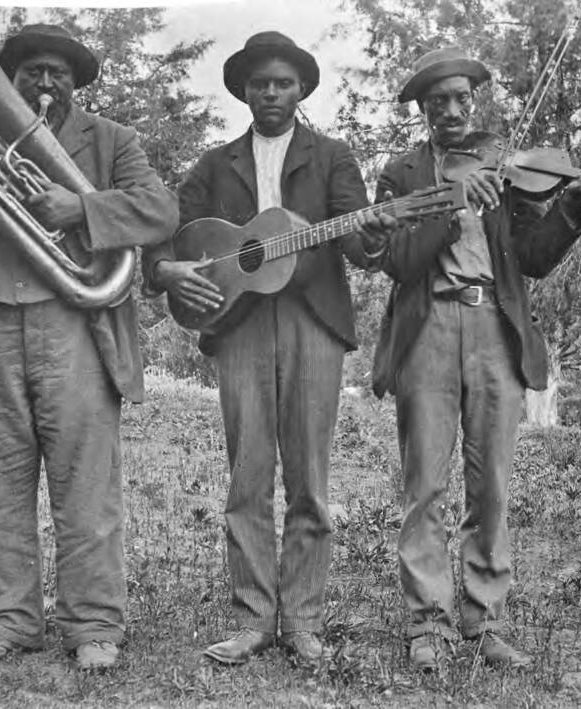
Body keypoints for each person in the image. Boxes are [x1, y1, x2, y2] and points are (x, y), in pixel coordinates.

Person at [0, 24, 178, 669]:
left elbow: (160, 211)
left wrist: (79, 210)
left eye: (58, 72)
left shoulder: (113, 141)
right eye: (32, 71)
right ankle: (5, 620)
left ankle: (93, 627)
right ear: (11, 78)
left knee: (86, 485)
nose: (46, 82)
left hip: (76, 328)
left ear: (76, 82)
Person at [354, 47, 581, 670]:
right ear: (422, 110)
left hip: (496, 328)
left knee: (491, 484)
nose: (450, 111)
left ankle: (484, 621)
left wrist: (573, 205)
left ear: (475, 102)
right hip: (429, 327)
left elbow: (533, 258)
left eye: (461, 100)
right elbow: (394, 262)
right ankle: (427, 624)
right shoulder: (402, 173)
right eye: (437, 102)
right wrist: (450, 201)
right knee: (425, 484)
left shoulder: (504, 168)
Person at [143, 31, 384, 665]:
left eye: (282, 82)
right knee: (247, 473)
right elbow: (174, 237)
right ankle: (252, 617)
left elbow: (359, 245)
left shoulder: (333, 158)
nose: (271, 93)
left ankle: (302, 620)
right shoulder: (214, 165)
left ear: (300, 89)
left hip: (313, 320)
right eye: (259, 84)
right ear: (244, 92)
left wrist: (376, 232)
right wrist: (170, 272)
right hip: (240, 320)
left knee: (309, 477)